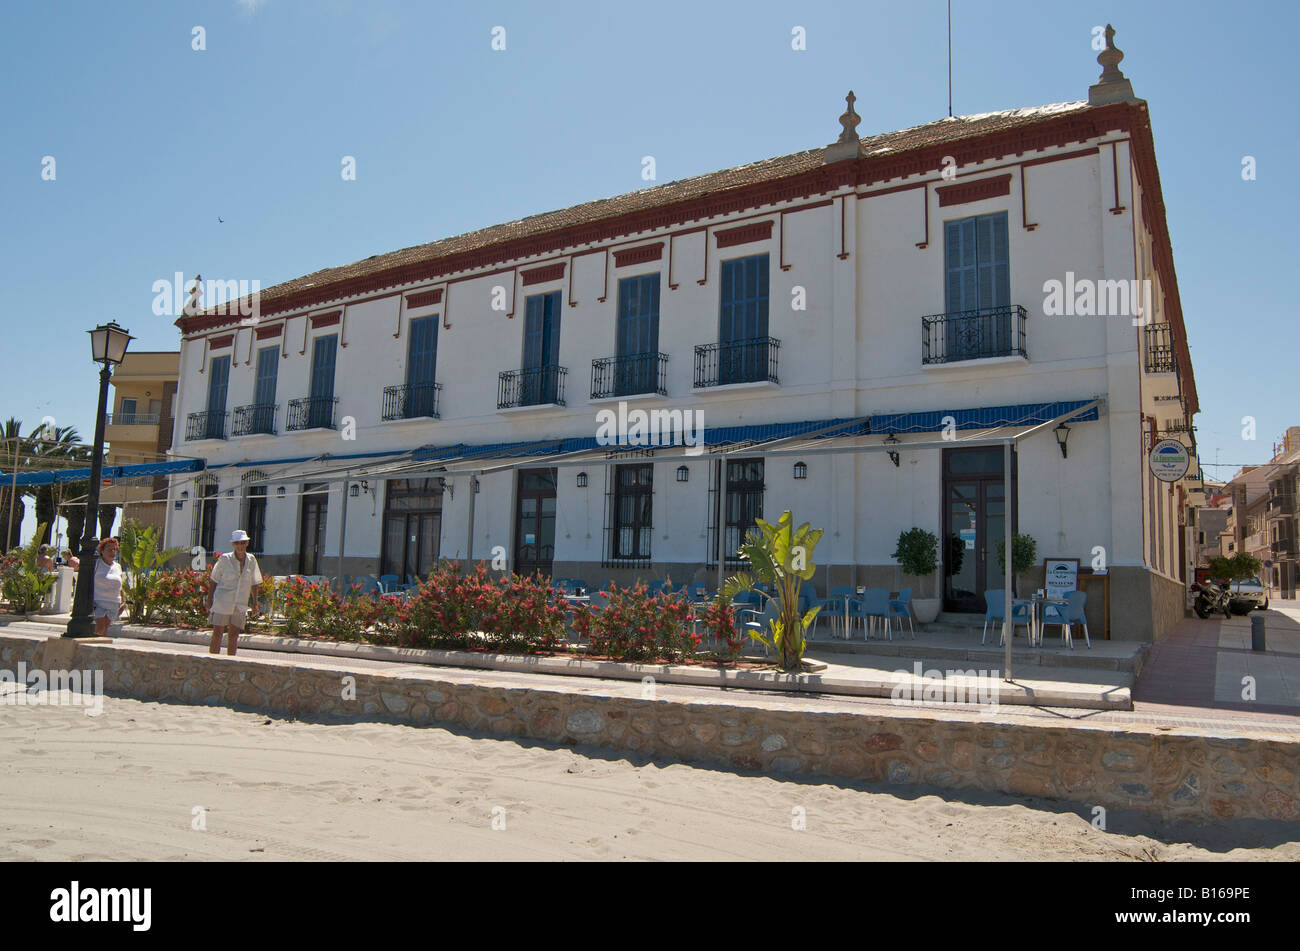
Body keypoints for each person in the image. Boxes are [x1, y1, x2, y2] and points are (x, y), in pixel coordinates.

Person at [205, 529, 263, 656]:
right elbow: (214, 579)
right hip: (223, 601)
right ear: (233, 544)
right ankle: (213, 660)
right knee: (218, 633)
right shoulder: (225, 559)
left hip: (240, 602)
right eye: (237, 543)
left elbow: (254, 582)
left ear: (247, 543)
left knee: (234, 634)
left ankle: (231, 661)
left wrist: (254, 602)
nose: (240, 546)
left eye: (242, 543)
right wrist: (209, 601)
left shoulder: (251, 560)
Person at [92, 537, 124, 636]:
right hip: (99, 603)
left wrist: (124, 601)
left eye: (114, 549)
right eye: (109, 549)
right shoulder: (96, 564)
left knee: (104, 630)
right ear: (102, 551)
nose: (112, 552)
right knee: (99, 629)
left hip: (114, 604)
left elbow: (120, 586)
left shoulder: (117, 566)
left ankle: (99, 648)